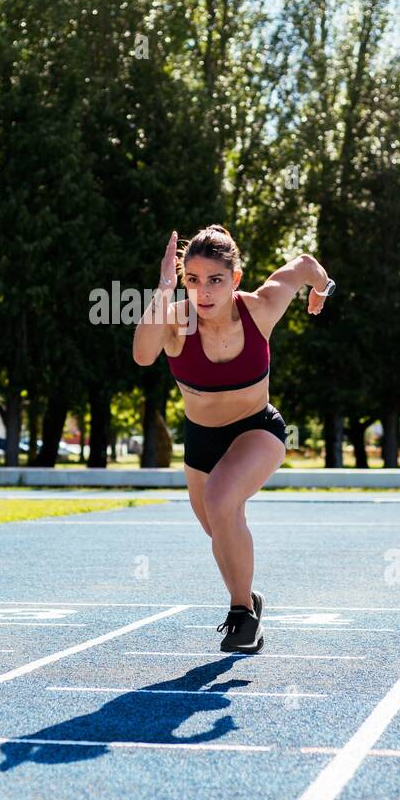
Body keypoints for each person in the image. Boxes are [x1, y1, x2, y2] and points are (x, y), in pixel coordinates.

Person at [133, 225, 334, 653]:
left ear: (235, 280)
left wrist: (322, 289)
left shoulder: (260, 307)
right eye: (193, 280)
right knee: (220, 530)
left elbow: (303, 266)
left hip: (256, 427)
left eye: (215, 280)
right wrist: (165, 288)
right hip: (201, 441)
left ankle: (242, 614)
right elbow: (142, 354)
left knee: (222, 502)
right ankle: (251, 597)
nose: (203, 292)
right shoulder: (175, 320)